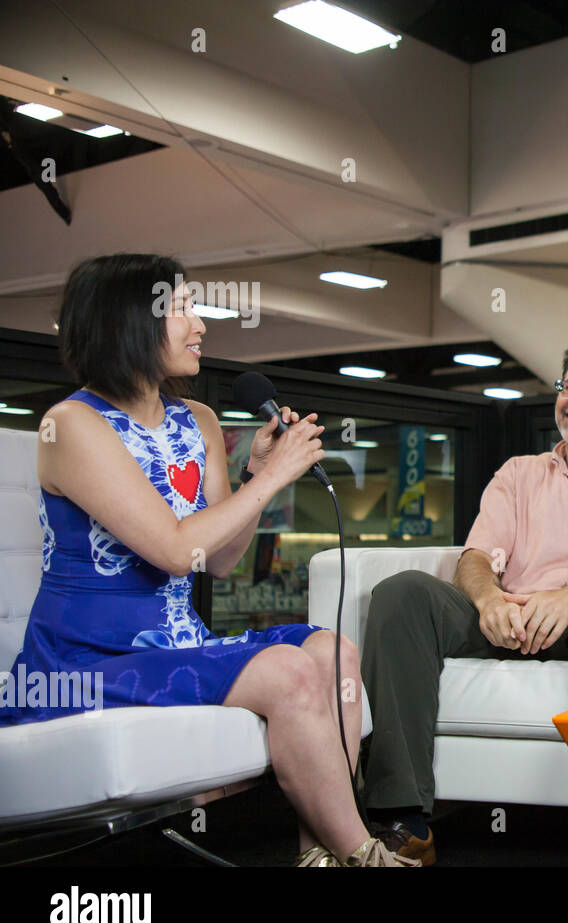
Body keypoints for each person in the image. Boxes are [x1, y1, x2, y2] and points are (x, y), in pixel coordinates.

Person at [0, 254, 412, 867]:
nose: (200, 325)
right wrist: (269, 480)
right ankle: (362, 853)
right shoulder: (73, 425)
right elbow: (170, 549)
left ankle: (318, 856)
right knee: (290, 672)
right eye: (183, 310)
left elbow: (217, 560)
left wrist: (252, 473)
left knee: (333, 654)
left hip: (177, 642)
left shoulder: (200, 420)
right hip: (90, 659)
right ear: (129, 323)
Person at [360, 337, 568, 866]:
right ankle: (403, 820)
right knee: (402, 592)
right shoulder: (518, 474)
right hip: (508, 622)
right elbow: (474, 558)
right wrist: (489, 598)